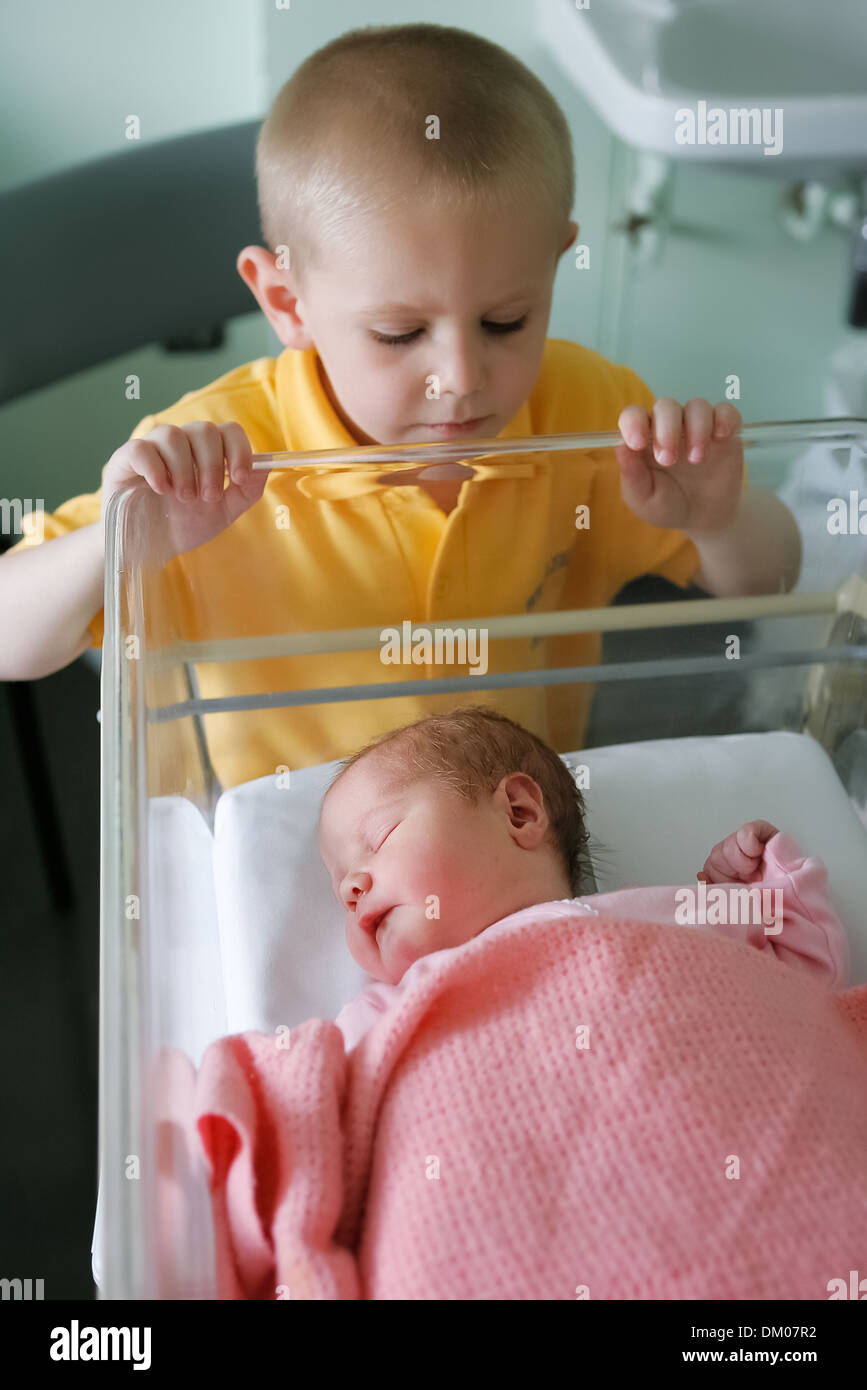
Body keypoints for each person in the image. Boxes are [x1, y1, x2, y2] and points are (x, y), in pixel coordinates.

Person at [0, 24, 801, 787]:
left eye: (504, 322)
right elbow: (12, 640)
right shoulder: (207, 461)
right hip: (302, 852)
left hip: (523, 836)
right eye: (397, 332)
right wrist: (123, 536)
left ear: (556, 261)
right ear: (286, 301)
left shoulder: (586, 410)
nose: (459, 376)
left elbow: (765, 584)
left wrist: (717, 518)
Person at [317, 707, 847, 1048]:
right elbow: (308, 1105)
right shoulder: (391, 1013)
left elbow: (805, 974)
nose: (350, 888)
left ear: (519, 813)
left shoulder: (660, 918)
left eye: (381, 837)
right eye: (341, 882)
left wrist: (740, 894)